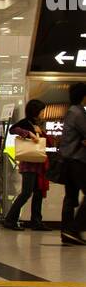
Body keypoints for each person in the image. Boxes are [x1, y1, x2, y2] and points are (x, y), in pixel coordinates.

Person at [3, 99, 48, 232]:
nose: (43, 113)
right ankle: (10, 219)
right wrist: (29, 133)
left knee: (38, 193)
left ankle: (36, 221)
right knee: (26, 192)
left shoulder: (38, 123)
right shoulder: (26, 122)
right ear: (36, 111)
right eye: (41, 110)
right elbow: (12, 129)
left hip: (39, 163)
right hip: (29, 164)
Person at [58, 82, 86, 245]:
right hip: (77, 161)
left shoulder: (71, 111)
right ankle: (74, 229)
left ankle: (67, 233)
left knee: (70, 197)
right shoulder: (78, 112)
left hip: (68, 160)